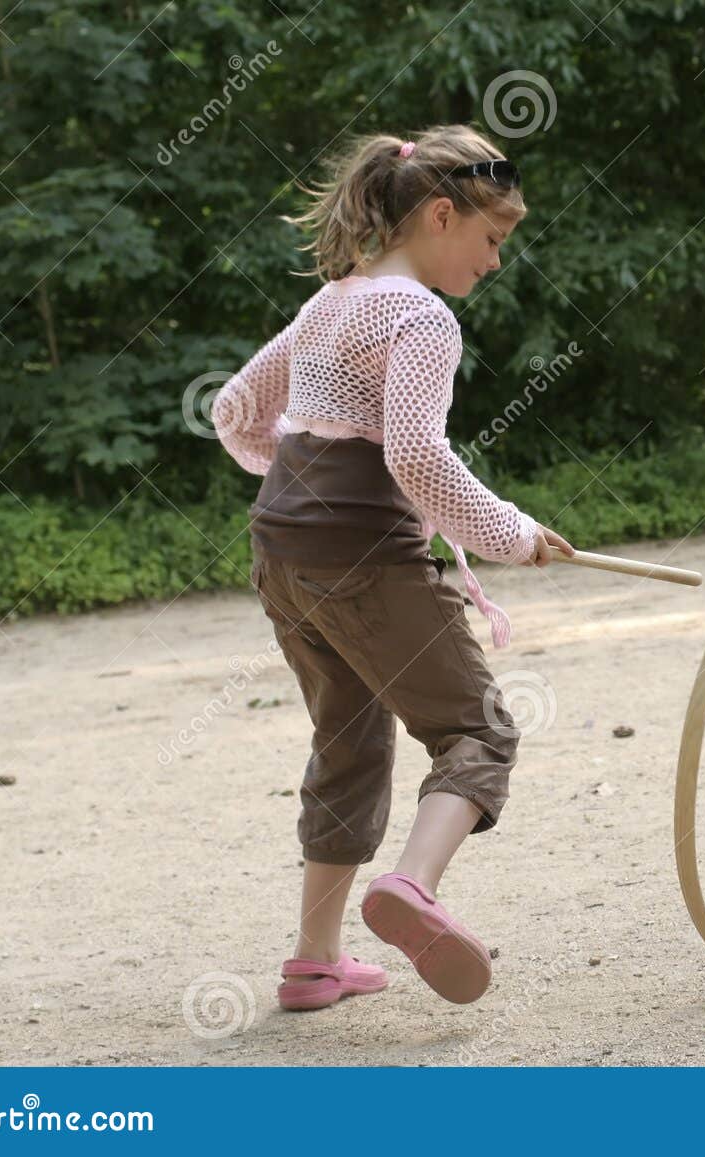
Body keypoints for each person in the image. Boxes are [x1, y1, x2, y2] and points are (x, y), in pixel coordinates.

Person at [210, 125, 574, 1011]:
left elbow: (234, 410)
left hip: (280, 549)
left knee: (351, 740)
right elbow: (415, 454)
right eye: (491, 240)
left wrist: (304, 485)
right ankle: (411, 886)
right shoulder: (420, 316)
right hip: (362, 557)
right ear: (441, 214)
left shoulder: (333, 299)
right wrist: (513, 532)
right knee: (480, 731)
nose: (493, 263)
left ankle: (315, 960)